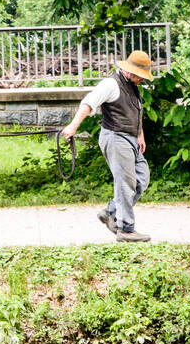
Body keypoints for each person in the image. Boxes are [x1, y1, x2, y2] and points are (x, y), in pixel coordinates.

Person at [61, 50, 155, 242]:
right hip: (115, 137)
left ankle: (111, 212)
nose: (143, 80)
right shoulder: (111, 84)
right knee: (125, 184)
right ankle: (126, 230)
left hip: (131, 139)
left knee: (142, 179)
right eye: (141, 76)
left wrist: (140, 135)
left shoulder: (132, 86)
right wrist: (73, 126)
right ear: (130, 71)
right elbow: (88, 103)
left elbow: (135, 112)